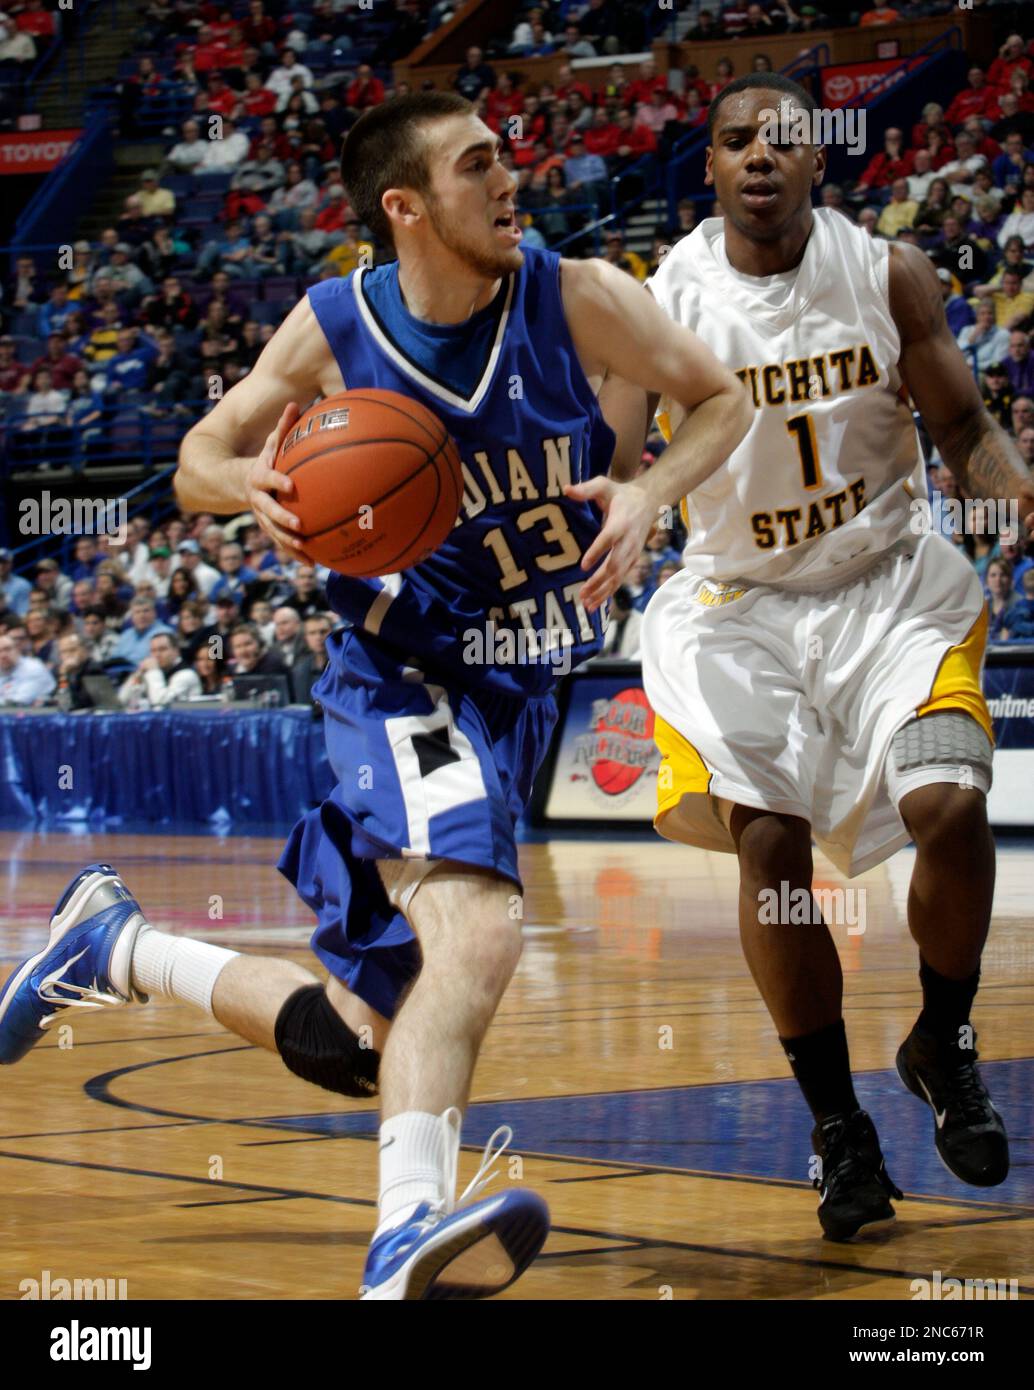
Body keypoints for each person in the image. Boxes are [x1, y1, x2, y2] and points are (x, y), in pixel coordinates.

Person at [0, 92, 749, 1300]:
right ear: (405, 206)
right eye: (477, 166)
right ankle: (404, 1229)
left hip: (521, 695)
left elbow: (720, 397)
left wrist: (649, 491)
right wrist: (246, 480)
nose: (511, 178)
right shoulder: (335, 324)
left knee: (361, 1044)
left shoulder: (578, 294)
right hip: (401, 680)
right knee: (482, 930)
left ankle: (116, 945)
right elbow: (197, 458)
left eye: (507, 156)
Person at [607, 73, 1033, 1242]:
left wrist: (1012, 489)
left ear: (816, 161)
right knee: (771, 848)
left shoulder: (884, 273)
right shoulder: (661, 303)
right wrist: (618, 506)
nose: (757, 156)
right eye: (734, 140)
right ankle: (835, 1123)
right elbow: (612, 456)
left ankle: (941, 1039)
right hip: (736, 608)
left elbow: (960, 428)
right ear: (707, 166)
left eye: (780, 140)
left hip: (887, 586)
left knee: (948, 805)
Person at [118, 630, 203, 706]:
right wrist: (138, 674)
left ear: (176, 651)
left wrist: (154, 671)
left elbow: (160, 702)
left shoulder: (187, 675)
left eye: (162, 649)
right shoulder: (155, 672)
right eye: (153, 651)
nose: (157, 655)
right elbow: (122, 700)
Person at [0, 631, 56, 705]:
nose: (3, 655)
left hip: (42, 714)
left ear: (17, 649)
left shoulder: (33, 668)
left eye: (7, 649)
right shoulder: (3, 669)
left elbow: (17, 703)